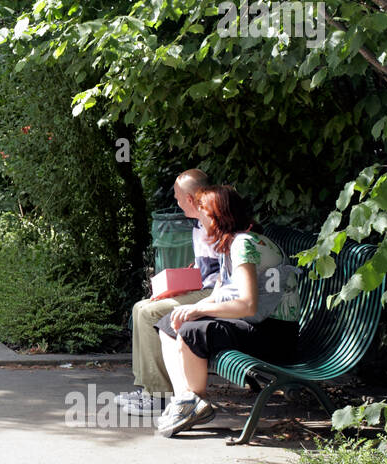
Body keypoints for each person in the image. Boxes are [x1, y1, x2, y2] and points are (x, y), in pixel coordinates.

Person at [155, 184, 301, 437]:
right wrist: (195, 308)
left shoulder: (243, 245)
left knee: (193, 331)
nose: (199, 219)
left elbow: (247, 304)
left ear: (217, 217)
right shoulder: (232, 242)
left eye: (203, 214)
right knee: (169, 323)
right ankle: (188, 400)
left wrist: (199, 313)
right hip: (258, 325)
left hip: (274, 334)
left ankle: (192, 403)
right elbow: (220, 294)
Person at [115, 169, 223, 417]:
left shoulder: (214, 223)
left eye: (177, 197)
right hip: (202, 288)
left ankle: (159, 395)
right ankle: (146, 388)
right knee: (140, 307)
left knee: (149, 313)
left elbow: (223, 276)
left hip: (212, 294)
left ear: (191, 199)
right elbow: (205, 265)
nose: (175, 201)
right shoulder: (199, 222)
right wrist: (180, 281)